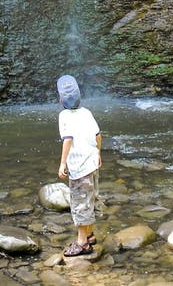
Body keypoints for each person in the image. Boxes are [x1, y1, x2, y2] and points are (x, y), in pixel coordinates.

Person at [56, 74, 102, 257]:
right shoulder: (87, 112)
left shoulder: (64, 116)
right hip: (92, 163)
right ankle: (90, 235)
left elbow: (68, 140)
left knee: (79, 203)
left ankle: (82, 243)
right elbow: (98, 135)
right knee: (90, 198)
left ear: (61, 100)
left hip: (79, 168)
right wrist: (98, 153)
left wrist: (62, 164)